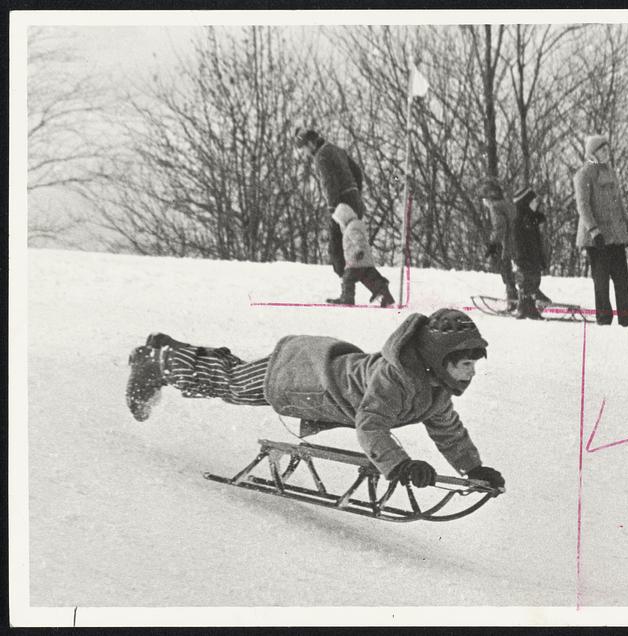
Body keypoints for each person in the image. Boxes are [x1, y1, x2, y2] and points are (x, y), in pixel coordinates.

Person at [125, 309, 505, 489]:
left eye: (472, 364)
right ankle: (157, 363)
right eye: (465, 364)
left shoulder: (436, 392)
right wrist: (400, 466)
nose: (470, 372)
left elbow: (449, 433)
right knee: (234, 384)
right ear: (440, 360)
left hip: (316, 375)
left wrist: (473, 469)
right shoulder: (395, 379)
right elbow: (370, 425)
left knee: (234, 375)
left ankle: (172, 350)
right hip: (302, 376)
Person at [294, 127, 383, 305]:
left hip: (341, 205)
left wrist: (333, 207)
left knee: (337, 250)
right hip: (354, 202)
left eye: (303, 149)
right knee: (354, 249)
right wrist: (354, 192)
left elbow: (329, 183)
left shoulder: (321, 156)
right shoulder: (335, 149)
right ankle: (378, 289)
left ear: (310, 144)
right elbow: (357, 171)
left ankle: (349, 294)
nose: (304, 154)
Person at [573, 134, 628, 327]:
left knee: (622, 280)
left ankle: (627, 320)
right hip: (597, 238)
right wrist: (594, 231)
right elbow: (583, 206)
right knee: (601, 281)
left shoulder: (611, 172)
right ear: (593, 153)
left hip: (615, 236)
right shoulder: (583, 174)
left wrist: (626, 225)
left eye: (607, 149)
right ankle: (604, 319)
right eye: (602, 150)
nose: (606, 153)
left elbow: (619, 203)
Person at [328, 203, 394, 306]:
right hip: (363, 260)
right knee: (367, 277)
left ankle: (347, 298)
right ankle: (384, 293)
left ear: (344, 218)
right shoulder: (356, 225)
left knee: (347, 279)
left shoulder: (351, 228)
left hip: (356, 260)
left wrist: (359, 251)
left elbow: (358, 240)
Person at [509, 186, 552, 320]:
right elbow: (517, 244)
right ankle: (524, 308)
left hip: (534, 259)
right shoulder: (519, 222)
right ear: (525, 204)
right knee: (526, 282)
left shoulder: (532, 221)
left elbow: (537, 243)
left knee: (534, 281)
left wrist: (541, 259)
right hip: (524, 259)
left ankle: (529, 306)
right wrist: (519, 258)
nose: (536, 205)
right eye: (533, 202)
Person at [480, 181, 518, 311]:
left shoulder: (495, 207)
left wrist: (492, 243)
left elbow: (499, 227)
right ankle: (520, 298)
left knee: (506, 272)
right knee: (517, 272)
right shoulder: (508, 204)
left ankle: (513, 301)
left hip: (507, 244)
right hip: (517, 243)